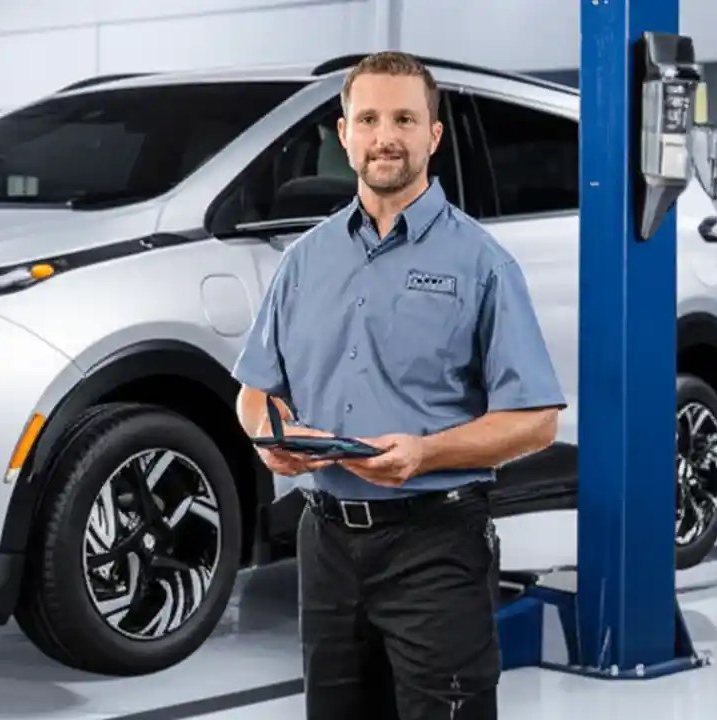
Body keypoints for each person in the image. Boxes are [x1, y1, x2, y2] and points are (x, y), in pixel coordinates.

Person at [231, 51, 567, 719]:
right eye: (369, 120)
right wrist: (272, 435)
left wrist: (427, 453)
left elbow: (536, 420)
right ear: (344, 133)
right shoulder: (305, 261)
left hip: (435, 544)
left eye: (405, 120)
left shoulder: (482, 263)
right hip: (326, 543)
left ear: (433, 135)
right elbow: (255, 391)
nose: (385, 137)